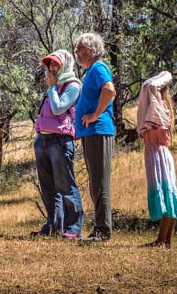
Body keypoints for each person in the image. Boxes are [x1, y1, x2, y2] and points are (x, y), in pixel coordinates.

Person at [31, 49, 84, 239]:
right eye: (50, 65)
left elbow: (58, 107)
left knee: (65, 185)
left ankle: (73, 228)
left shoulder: (72, 86)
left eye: (55, 64)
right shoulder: (54, 86)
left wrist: (52, 88)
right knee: (48, 187)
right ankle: (54, 225)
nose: (52, 69)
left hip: (60, 141)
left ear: (64, 65)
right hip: (43, 140)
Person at [73, 32, 116, 243]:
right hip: (91, 133)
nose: (77, 53)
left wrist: (96, 115)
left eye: (79, 49)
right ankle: (100, 227)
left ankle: (103, 230)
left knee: (99, 183)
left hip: (99, 130)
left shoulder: (99, 67)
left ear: (91, 50)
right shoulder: (90, 71)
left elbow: (109, 90)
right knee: (95, 183)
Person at [136, 71, 177, 249]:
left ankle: (162, 240)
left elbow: (151, 86)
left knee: (164, 193)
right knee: (168, 193)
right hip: (159, 154)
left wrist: (158, 81)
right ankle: (165, 240)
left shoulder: (157, 108)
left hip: (157, 155)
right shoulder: (160, 108)